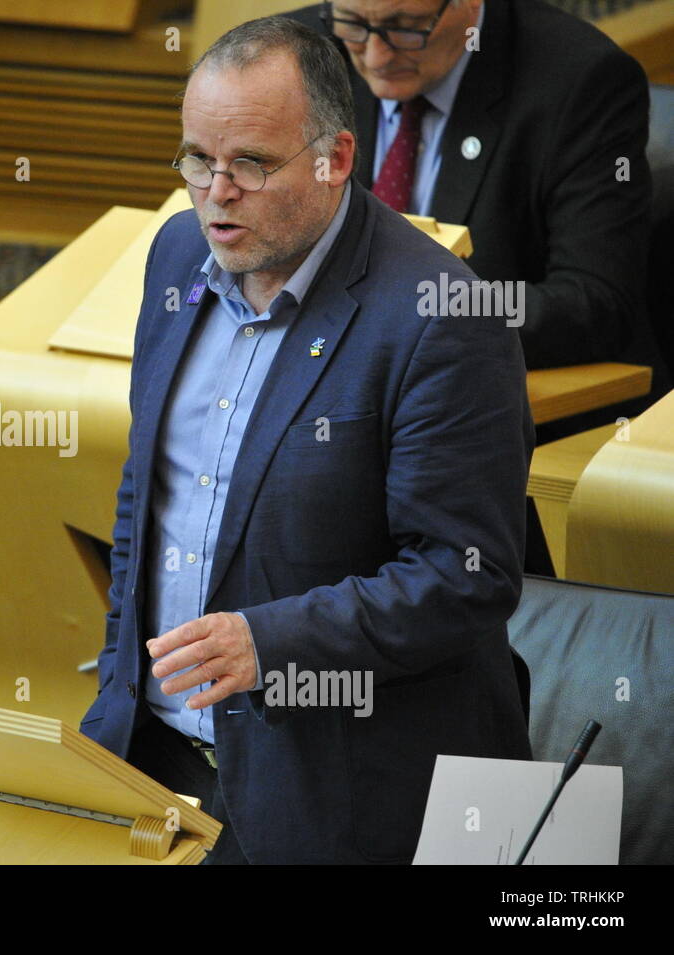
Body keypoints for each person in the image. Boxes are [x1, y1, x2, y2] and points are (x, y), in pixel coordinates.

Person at [79, 17, 532, 863]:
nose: (216, 192)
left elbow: (464, 574)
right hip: (156, 767)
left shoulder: (440, 319)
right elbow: (149, 494)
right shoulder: (177, 256)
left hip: (338, 796)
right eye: (195, 161)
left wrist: (270, 643)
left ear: (336, 158)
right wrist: (119, 686)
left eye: (250, 164)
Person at [282, 0, 655, 375]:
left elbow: (594, 304)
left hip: (510, 397)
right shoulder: (291, 57)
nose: (377, 58)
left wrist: (415, 316)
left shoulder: (579, 79)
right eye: (354, 24)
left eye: (406, 27)